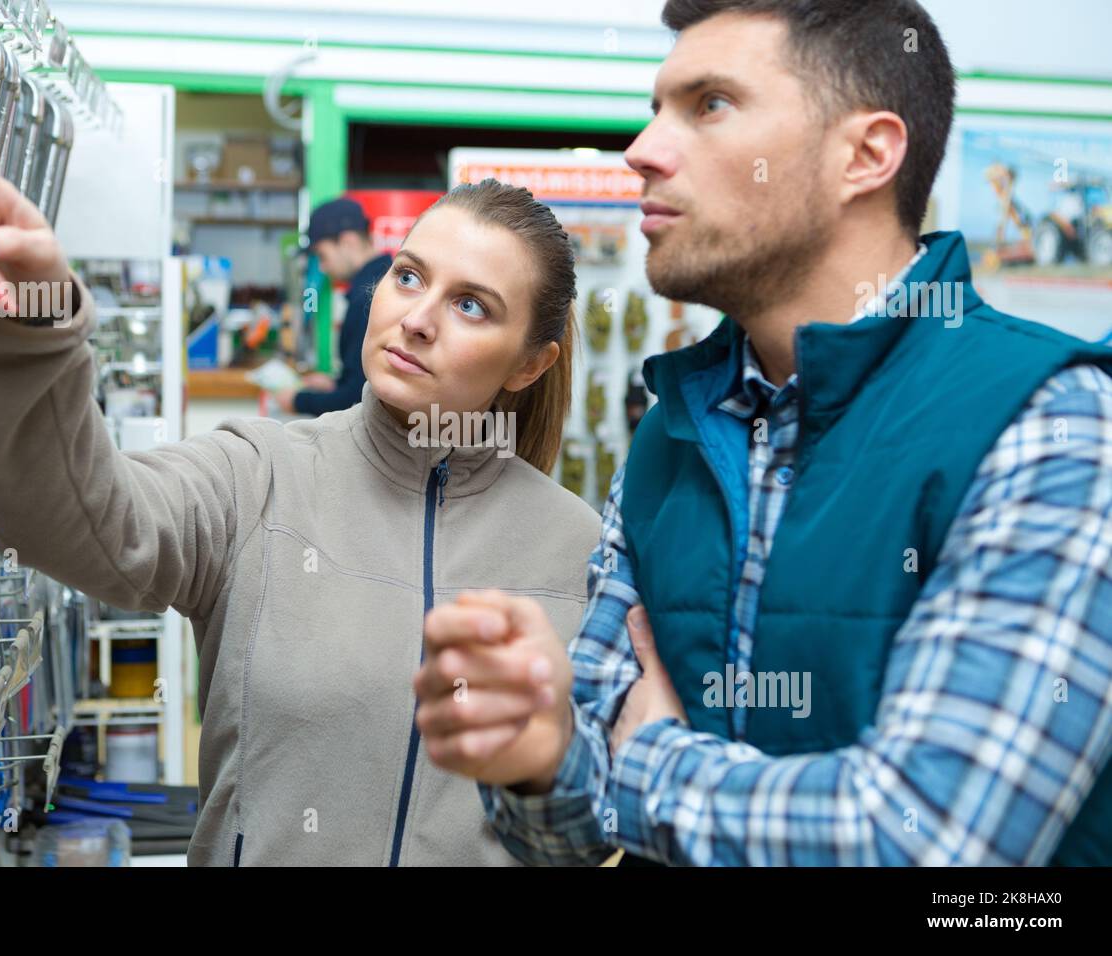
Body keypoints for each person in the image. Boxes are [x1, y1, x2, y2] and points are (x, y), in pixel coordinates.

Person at [413, 0, 1112, 866]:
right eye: (659, 105)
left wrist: (650, 766)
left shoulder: (1049, 422)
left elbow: (927, 841)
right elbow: (566, 829)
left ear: (866, 154)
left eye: (708, 105)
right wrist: (536, 756)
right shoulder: (674, 435)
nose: (643, 149)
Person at [0, 102, 601, 866]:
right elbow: (64, 516)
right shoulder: (257, 475)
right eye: (409, 276)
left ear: (529, 364)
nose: (417, 318)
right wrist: (33, 323)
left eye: (470, 305)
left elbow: (588, 822)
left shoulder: (581, 554)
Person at [276, 197, 392, 416]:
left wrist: (298, 401)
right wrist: (334, 384)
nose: (322, 266)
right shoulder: (382, 281)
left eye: (322, 255)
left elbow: (357, 398)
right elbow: (365, 380)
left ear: (348, 242)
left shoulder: (369, 297)